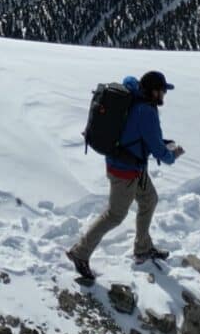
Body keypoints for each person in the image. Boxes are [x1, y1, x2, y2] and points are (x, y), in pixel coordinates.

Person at [67, 70, 180, 280]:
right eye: (163, 91)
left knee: (149, 199)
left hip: (130, 165)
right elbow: (156, 148)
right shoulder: (146, 111)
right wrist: (172, 154)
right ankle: (80, 253)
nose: (164, 95)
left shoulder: (137, 102)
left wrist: (161, 146)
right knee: (115, 215)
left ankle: (143, 248)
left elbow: (142, 137)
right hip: (125, 171)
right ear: (153, 92)